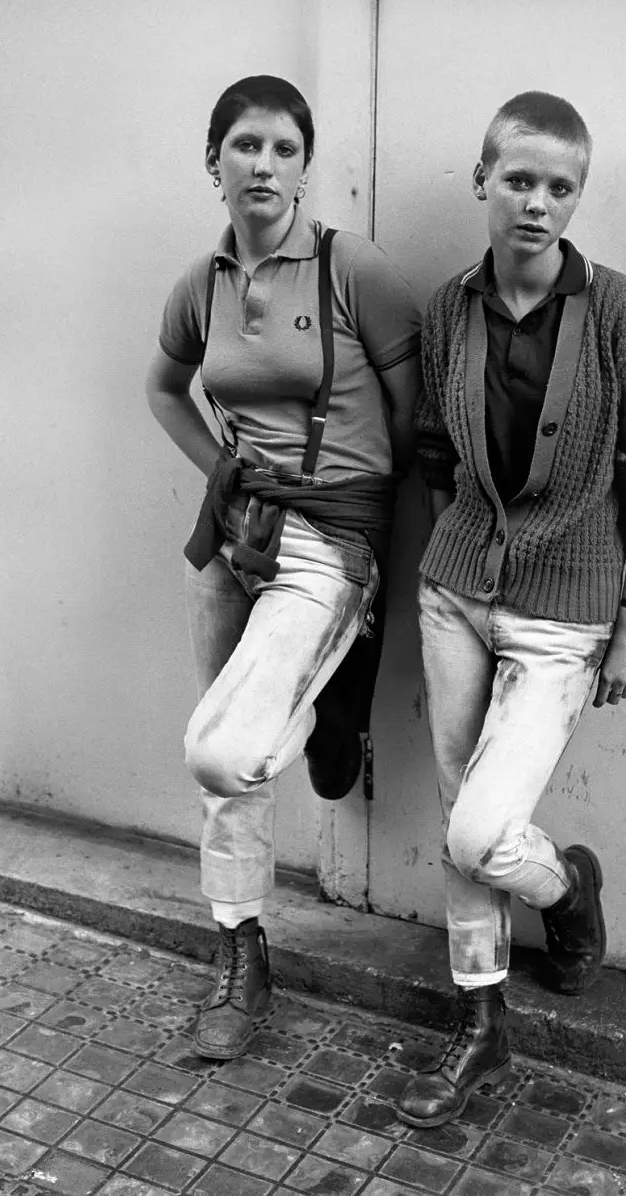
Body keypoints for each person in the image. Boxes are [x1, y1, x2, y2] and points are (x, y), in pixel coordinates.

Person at [397, 91, 626, 1128]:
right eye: (519, 179)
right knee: (454, 818)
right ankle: (481, 1024)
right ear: (483, 179)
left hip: (564, 615)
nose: (537, 203)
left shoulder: (621, 313)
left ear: (578, 196)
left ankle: (568, 885)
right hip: (454, 597)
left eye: (560, 186)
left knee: (484, 830)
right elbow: (435, 452)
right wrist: (459, 561)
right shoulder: (448, 309)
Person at [146, 75, 421, 1061]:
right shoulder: (203, 282)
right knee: (226, 763)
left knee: (223, 746)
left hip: (329, 540)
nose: (263, 164)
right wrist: (220, 472)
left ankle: (340, 683)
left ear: (306, 167)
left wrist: (373, 566)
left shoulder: (355, 270)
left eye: (284, 148)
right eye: (245, 146)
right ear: (212, 160)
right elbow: (167, 388)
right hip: (229, 535)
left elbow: (412, 424)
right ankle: (242, 954)